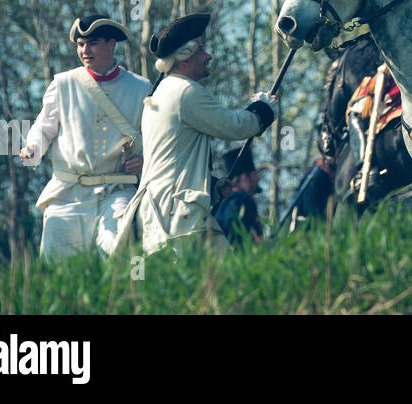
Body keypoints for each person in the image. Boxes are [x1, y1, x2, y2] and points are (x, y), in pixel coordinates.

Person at [115, 13, 277, 255]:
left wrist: (211, 186)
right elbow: (234, 126)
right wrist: (263, 109)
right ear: (184, 58)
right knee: (218, 285)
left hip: (163, 214)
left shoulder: (160, 94)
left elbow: (171, 162)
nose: (208, 56)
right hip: (180, 218)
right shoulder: (186, 92)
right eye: (201, 50)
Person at [19, 14, 149, 259]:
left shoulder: (141, 88)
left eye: (93, 43)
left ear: (111, 44)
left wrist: (145, 160)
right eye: (80, 44)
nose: (85, 50)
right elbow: (44, 126)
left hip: (116, 190)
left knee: (121, 254)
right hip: (68, 192)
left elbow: (154, 138)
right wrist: (32, 148)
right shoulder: (64, 83)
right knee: (56, 268)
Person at [214, 145, 264, 245]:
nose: (258, 178)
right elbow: (234, 227)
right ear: (244, 177)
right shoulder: (240, 197)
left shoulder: (228, 199)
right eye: (254, 174)